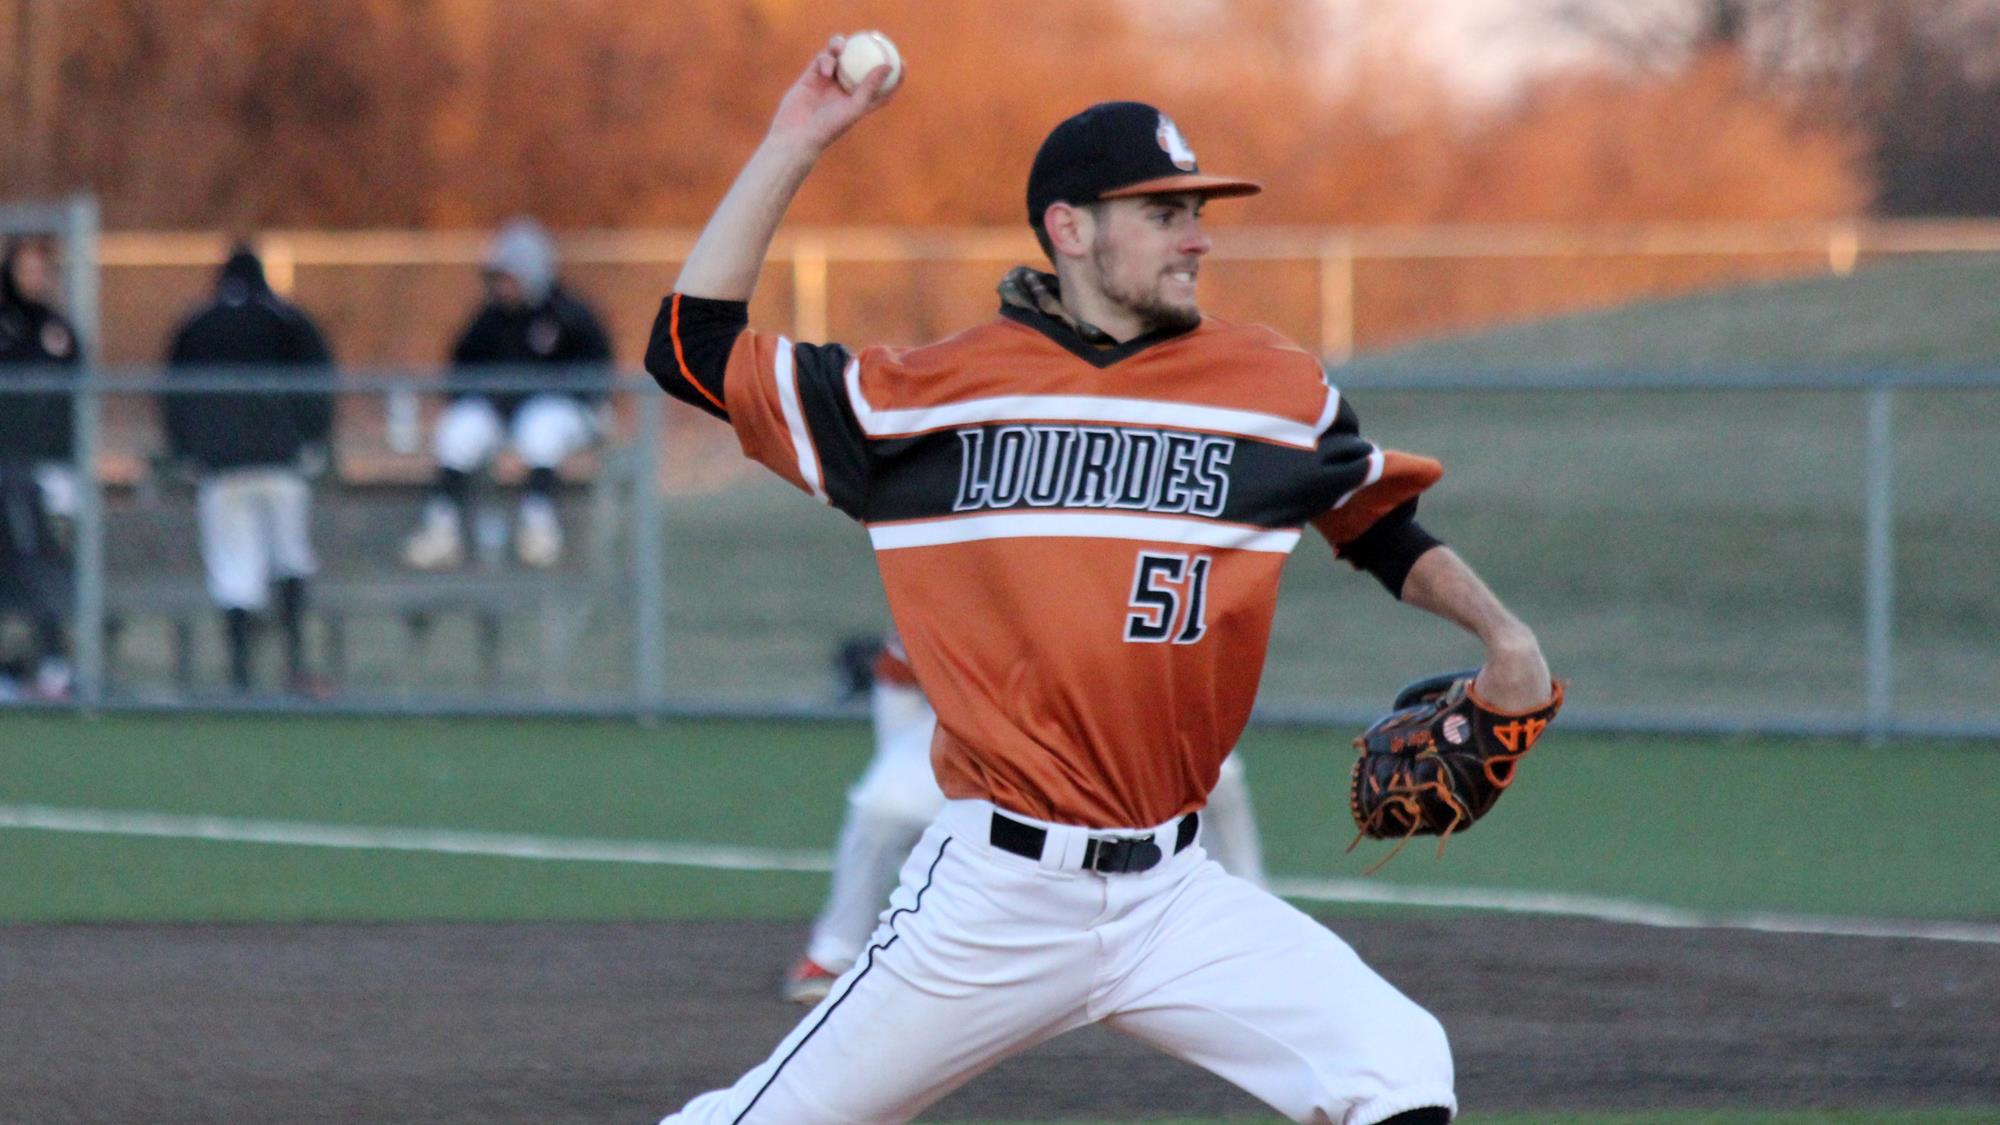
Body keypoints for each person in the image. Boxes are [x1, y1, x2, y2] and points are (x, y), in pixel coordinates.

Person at [641, 37, 1557, 1124]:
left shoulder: (1270, 390)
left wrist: (1506, 643)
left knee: (1398, 1068)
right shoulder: (924, 399)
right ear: (1068, 229)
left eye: (1196, 211)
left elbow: (1376, 525)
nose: (1195, 236)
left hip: (1172, 895)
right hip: (995, 894)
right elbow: (690, 348)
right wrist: (797, 137)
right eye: (1161, 211)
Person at [784, 630, 1268, 1005]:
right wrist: (896, 757)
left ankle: (1255, 922)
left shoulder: (1115, 570)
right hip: (980, 740)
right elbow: (898, 671)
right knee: (884, 806)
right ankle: (833, 953)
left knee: (1218, 771)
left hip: (1101, 728)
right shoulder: (965, 568)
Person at [162, 246, 336, 696]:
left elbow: (171, 393)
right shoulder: (287, 319)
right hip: (282, 462)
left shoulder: (197, 323)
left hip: (222, 467)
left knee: (233, 568)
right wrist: (314, 441)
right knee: (290, 556)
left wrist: (186, 450)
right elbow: (320, 380)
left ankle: (241, 674)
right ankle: (295, 663)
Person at [401, 217, 613, 571]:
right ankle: (441, 529)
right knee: (459, 430)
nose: (502, 287)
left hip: (564, 413)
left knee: (540, 426)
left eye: (510, 277)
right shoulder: (489, 319)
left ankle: (538, 527)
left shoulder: (568, 315)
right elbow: (461, 370)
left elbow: (595, 373)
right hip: (503, 413)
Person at [0, 237, 82, 699]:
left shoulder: (59, 329)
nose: (32, 279)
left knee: (48, 559)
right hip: (5, 468)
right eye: (24, 270)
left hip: (48, 469)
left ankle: (53, 660)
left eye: (40, 271)